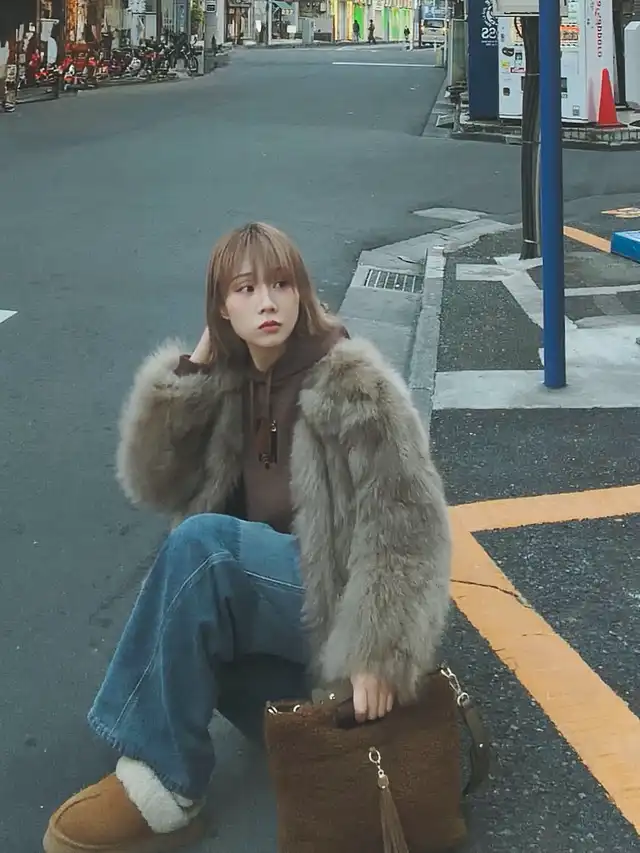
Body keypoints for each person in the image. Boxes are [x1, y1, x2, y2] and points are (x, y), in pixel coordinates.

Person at [42, 222, 452, 853]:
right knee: (189, 566)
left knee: (202, 550)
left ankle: (167, 787)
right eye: (245, 289)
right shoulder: (230, 381)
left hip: (336, 611)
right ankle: (223, 733)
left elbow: (410, 527)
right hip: (281, 621)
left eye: (281, 284)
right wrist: (192, 373)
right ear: (221, 308)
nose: (267, 302)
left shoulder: (350, 384)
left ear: (301, 292)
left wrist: (379, 652)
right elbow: (153, 482)